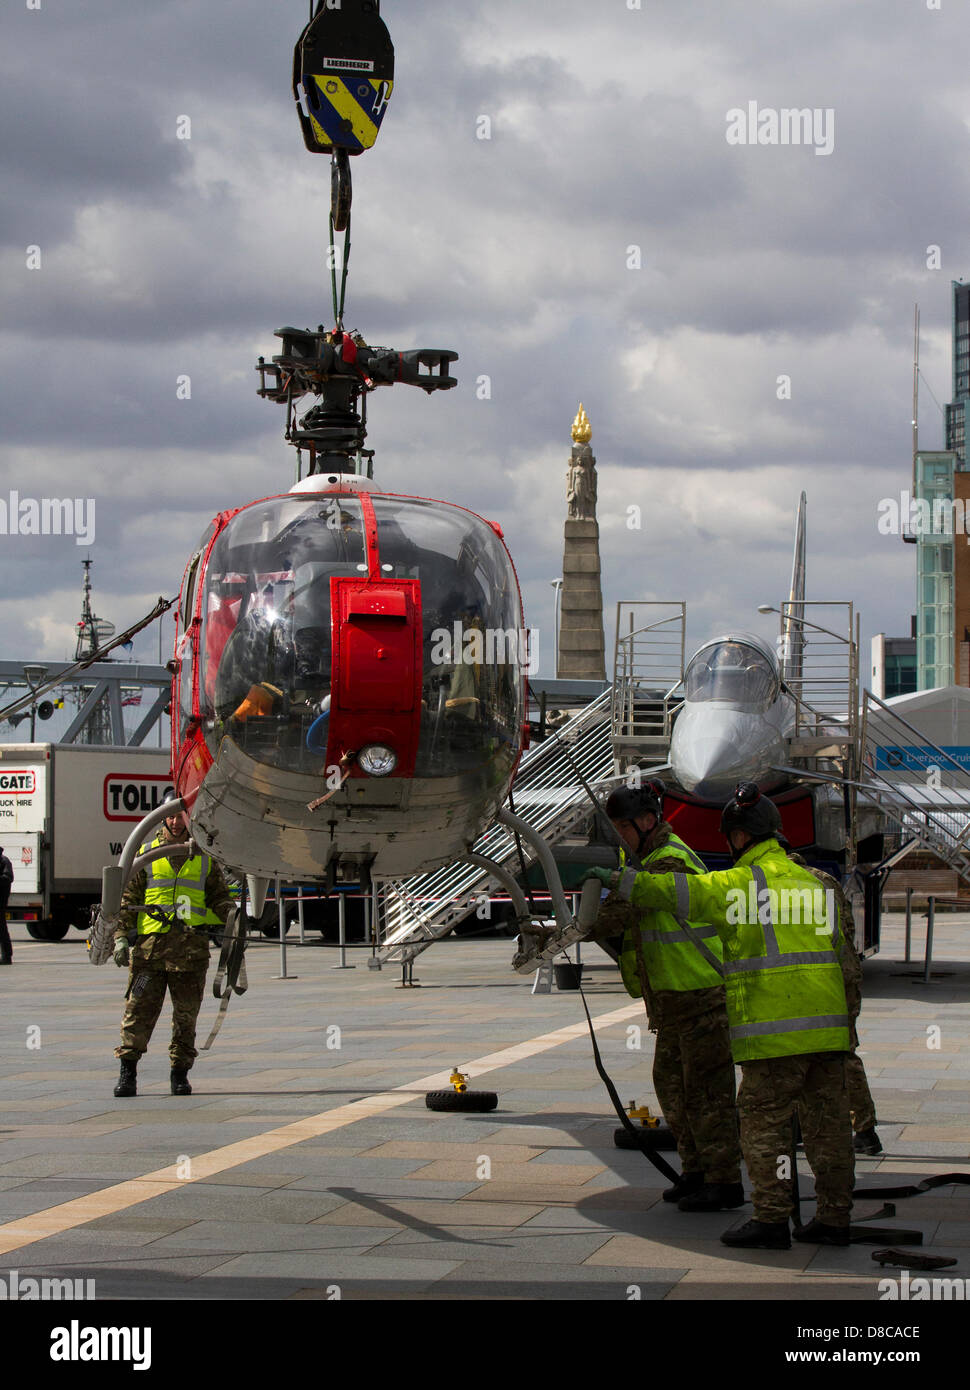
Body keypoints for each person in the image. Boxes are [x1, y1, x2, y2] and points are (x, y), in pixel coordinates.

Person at [585, 781, 854, 1250]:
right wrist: (847, 1027)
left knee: (762, 1124)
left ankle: (770, 1219)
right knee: (827, 1128)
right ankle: (834, 1219)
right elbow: (849, 966)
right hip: (828, 1032)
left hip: (773, 1035)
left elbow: (672, 893)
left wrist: (618, 881)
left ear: (739, 838)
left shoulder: (736, 886)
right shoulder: (821, 884)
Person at [588, 783, 743, 1211]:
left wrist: (571, 927)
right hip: (673, 1004)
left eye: (623, 827)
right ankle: (696, 1172)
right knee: (674, 1089)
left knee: (707, 1096)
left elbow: (625, 910)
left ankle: (725, 1181)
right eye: (615, 828)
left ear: (646, 822)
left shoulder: (670, 859)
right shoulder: (642, 860)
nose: (619, 836)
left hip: (703, 997)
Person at [112, 799, 233, 1098]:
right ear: (162, 819)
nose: (176, 823)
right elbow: (127, 900)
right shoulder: (146, 854)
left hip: (190, 955)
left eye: (180, 817)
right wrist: (120, 937)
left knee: (186, 1017)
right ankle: (128, 1073)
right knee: (137, 1012)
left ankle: (179, 1074)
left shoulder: (204, 857)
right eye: (170, 818)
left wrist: (233, 919)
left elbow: (219, 898)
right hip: (149, 956)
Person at [788, 853, 881, 1155]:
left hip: (824, 978)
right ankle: (860, 1128)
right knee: (839, 1052)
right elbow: (847, 929)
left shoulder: (787, 883)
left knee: (841, 1056)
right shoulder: (823, 878)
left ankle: (864, 1128)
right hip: (840, 975)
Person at [0, 847, 13, 965]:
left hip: (0, 900)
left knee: (1, 929)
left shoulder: (4, 860)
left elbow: (8, 877)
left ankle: (7, 956)